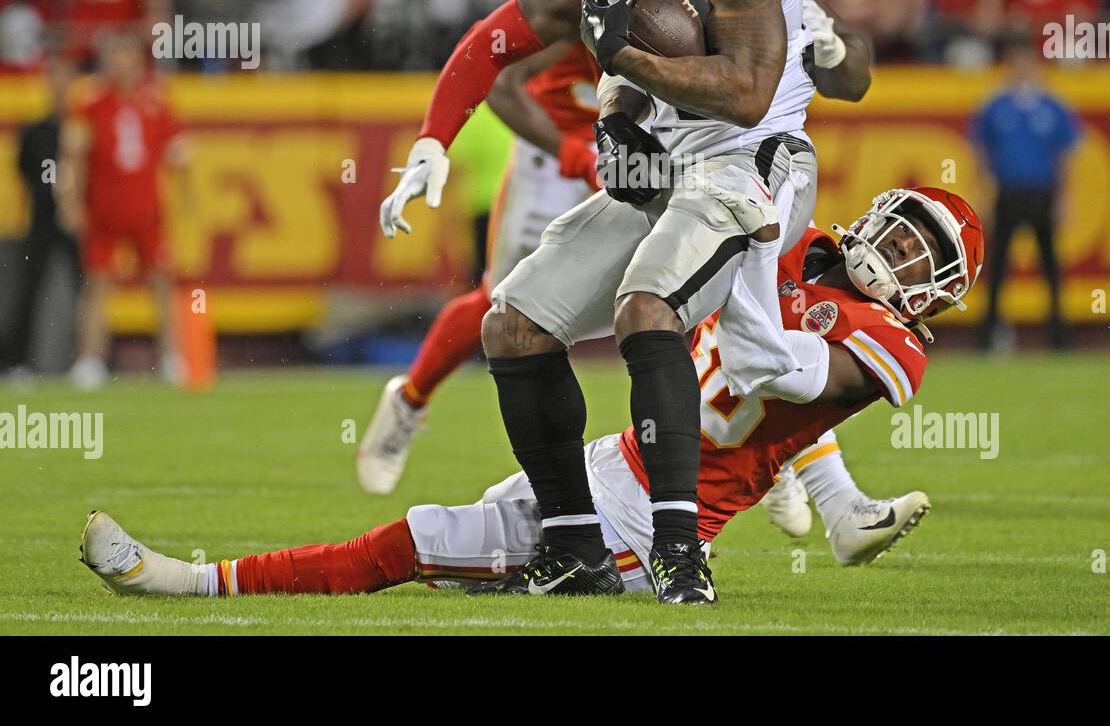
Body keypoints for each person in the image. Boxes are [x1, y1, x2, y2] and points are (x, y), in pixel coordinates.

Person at [377, 0, 860, 606]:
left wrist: (627, 55)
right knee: (513, 324)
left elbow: (747, 93)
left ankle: (680, 553)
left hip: (749, 165)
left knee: (651, 306)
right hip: (662, 170)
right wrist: (433, 140)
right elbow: (502, 37)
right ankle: (574, 547)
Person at [79, 185, 982, 599]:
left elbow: (779, 368)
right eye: (902, 232)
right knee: (464, 556)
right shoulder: (805, 246)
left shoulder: (894, 340)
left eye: (919, 257)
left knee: (420, 540)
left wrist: (744, 252)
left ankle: (188, 582)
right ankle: (831, 505)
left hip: (649, 522)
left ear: (937, 291)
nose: (896, 253)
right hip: (618, 460)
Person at [359, 0, 863, 496]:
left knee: (707, 288)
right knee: (505, 298)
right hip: (568, 139)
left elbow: (831, 69)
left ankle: (813, 485)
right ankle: (411, 399)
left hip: (681, 145)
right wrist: (450, 140)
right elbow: (501, 69)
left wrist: (832, 53)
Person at [57, 30, 187, 388]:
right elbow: (74, 155)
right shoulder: (91, 101)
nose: (121, 63)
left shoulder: (156, 100)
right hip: (104, 209)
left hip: (147, 209)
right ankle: (90, 359)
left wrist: (188, 198)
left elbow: (178, 154)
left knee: (161, 283)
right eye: (115, 55)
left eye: (127, 55)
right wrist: (68, 199)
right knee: (97, 285)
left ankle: (172, 357)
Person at [970, 41, 1079, 352]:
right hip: (1008, 193)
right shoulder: (996, 106)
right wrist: (982, 194)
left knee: (1051, 267)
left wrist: (1064, 199)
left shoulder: (1052, 107)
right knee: (997, 268)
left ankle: (1059, 336)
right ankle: (989, 335)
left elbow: (1065, 158)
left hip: (1042, 193)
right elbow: (981, 152)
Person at [2, 54, 79, 378]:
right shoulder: (37, 131)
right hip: (42, 217)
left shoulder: (80, 127)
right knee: (29, 288)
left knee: (87, 288)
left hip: (77, 218)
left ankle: (87, 359)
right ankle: (18, 361)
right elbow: (23, 170)